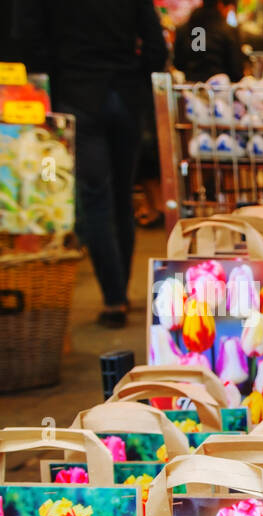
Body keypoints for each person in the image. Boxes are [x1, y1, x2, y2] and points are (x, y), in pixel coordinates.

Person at [18, 0, 168, 328]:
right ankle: (122, 290)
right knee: (121, 200)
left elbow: (30, 40)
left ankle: (114, 298)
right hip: (126, 95)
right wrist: (140, 79)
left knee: (96, 198)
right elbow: (156, 44)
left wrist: (53, 85)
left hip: (77, 95)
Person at [173, 0, 247, 83]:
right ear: (220, 4)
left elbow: (178, 63)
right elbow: (236, 70)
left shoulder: (184, 28)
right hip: (220, 90)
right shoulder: (228, 31)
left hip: (190, 88)